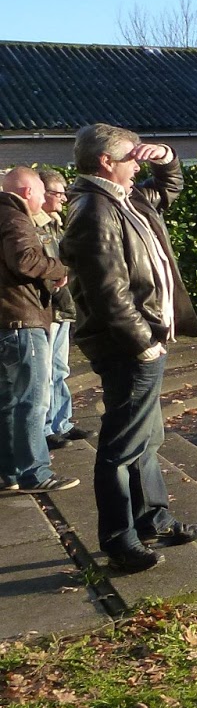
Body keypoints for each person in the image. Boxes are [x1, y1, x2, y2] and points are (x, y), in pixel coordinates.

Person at [59, 126, 197, 573]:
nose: (138, 164)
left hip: (144, 341)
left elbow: (170, 185)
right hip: (128, 347)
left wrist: (167, 155)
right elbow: (109, 293)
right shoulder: (95, 210)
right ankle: (119, 539)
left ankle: (152, 518)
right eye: (131, 157)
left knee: (147, 437)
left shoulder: (127, 200)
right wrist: (143, 345)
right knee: (122, 444)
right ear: (106, 161)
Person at [0, 167, 76, 496]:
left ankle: (9, 472)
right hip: (22, 320)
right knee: (31, 400)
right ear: (27, 191)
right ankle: (34, 472)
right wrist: (59, 269)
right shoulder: (15, 218)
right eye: (43, 193)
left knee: (11, 400)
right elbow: (25, 259)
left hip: (9, 319)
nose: (47, 199)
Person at [36, 168, 89, 450]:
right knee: (45, 372)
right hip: (48, 307)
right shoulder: (34, 226)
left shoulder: (56, 223)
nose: (63, 198)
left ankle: (61, 422)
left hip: (63, 307)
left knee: (59, 368)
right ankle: (46, 428)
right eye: (57, 193)